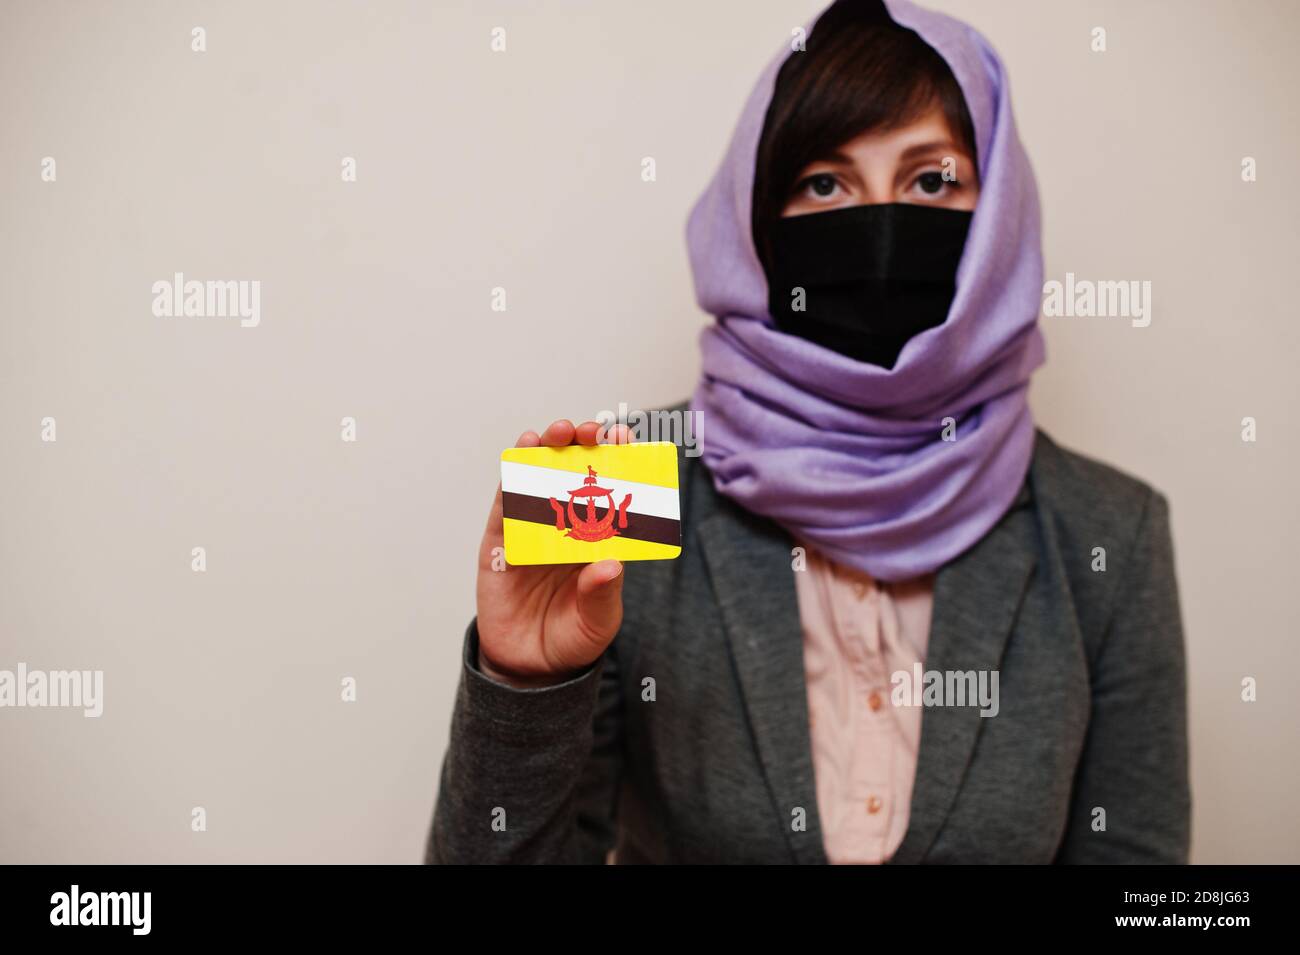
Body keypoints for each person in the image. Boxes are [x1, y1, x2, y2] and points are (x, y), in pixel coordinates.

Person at [425, 0, 1190, 864]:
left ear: (1001, 216)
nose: (879, 226)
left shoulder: (1110, 534)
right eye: (823, 183)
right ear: (756, 221)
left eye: (932, 180)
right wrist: (523, 685)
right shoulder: (612, 488)